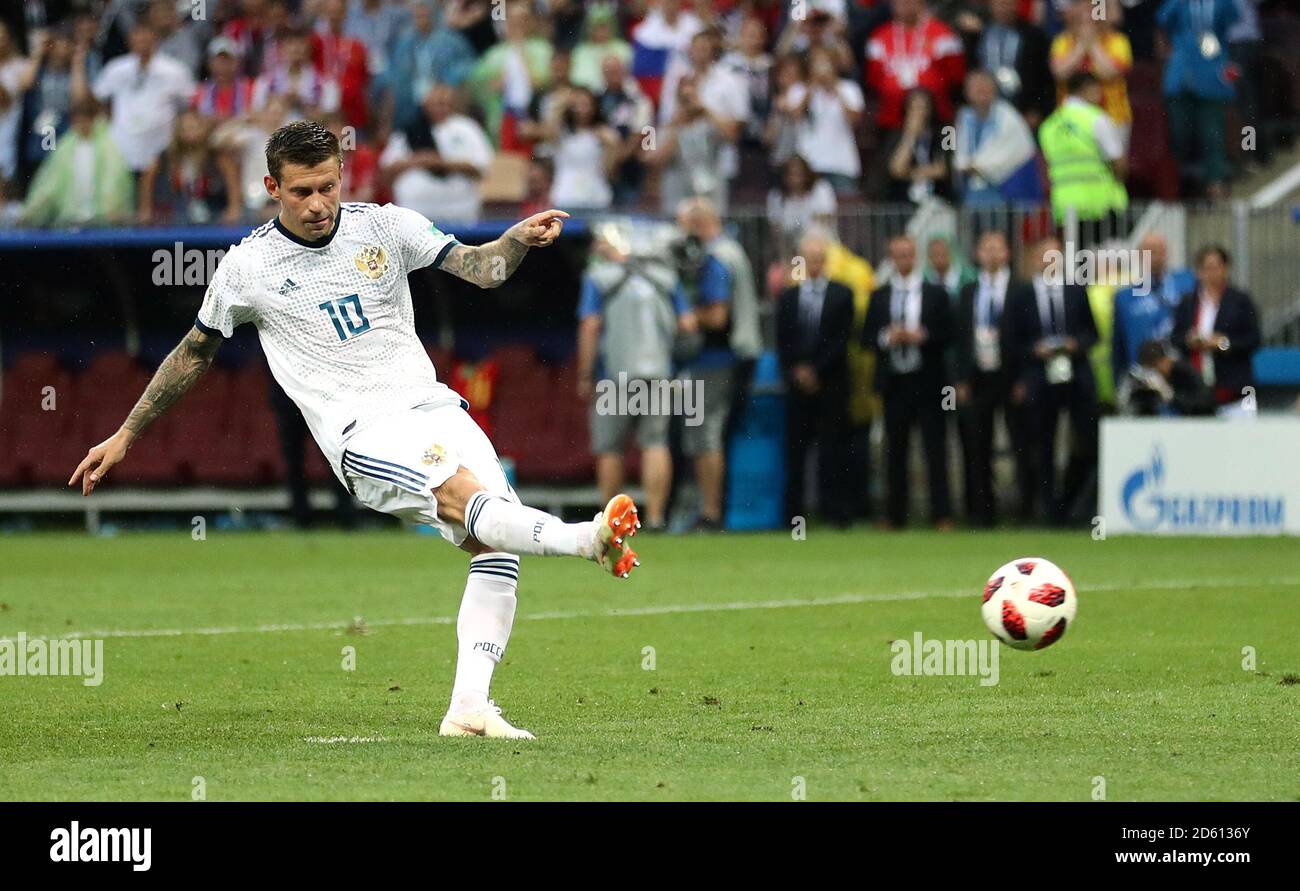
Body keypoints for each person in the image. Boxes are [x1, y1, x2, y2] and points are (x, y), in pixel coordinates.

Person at [69, 120, 641, 741]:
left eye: (327, 187)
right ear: (272, 187)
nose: (317, 205)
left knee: (496, 546)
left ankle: (469, 708)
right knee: (462, 498)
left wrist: (517, 239)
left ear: (342, 176)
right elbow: (194, 352)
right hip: (361, 434)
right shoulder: (248, 266)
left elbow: (483, 270)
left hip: (434, 407)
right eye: (301, 192)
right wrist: (127, 433)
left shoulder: (386, 226)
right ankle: (587, 540)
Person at [576, 225, 696, 532]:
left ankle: (611, 522)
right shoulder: (665, 279)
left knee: (611, 448)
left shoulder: (598, 280)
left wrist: (585, 374)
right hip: (658, 373)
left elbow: (590, 326)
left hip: (613, 377)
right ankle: (655, 518)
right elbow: (687, 323)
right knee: (655, 444)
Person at [676, 196, 763, 530]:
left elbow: (716, 315)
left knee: (705, 433)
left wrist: (681, 315)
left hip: (717, 359)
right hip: (735, 354)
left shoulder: (716, 257)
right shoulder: (732, 250)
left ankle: (711, 513)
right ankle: (710, 510)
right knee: (710, 434)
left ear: (698, 224)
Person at [1003, 235, 1099, 525]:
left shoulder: (1076, 291)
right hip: (1038, 380)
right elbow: (1011, 342)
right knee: (1041, 446)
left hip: (1076, 378)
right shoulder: (1020, 295)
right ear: (1034, 261)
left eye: (1055, 257)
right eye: (1044, 257)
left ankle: (1080, 506)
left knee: (1086, 442)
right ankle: (1049, 512)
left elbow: (1092, 334)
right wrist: (1034, 351)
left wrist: (1074, 344)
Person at [862, 234, 953, 530]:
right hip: (894, 383)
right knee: (895, 450)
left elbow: (949, 334)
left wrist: (921, 336)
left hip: (927, 381)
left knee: (935, 449)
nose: (903, 260)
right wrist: (889, 336)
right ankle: (894, 515)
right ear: (891, 258)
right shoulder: (880, 295)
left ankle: (942, 514)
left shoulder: (935, 293)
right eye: (897, 255)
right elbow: (867, 338)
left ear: (916, 257)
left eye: (908, 254)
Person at [775, 229, 855, 527]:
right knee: (795, 451)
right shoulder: (788, 297)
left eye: (820, 259)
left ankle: (835, 512)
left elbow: (841, 339)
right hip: (797, 386)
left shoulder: (842, 294)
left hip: (832, 383)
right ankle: (793, 516)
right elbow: (783, 342)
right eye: (810, 259)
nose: (815, 265)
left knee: (833, 450)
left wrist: (816, 370)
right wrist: (797, 371)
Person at [953, 230, 1029, 526]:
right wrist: (960, 379)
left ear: (1007, 253)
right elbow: (961, 338)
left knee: (1020, 443)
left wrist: (1023, 379)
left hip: (1010, 376)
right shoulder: (969, 290)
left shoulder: (1020, 289)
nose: (992, 254)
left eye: (997, 248)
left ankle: (1025, 510)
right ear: (978, 254)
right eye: (986, 248)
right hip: (978, 376)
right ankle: (981, 513)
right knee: (976, 444)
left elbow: (1025, 335)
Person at [1156, 0, 1239, 200]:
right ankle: (1176, 185)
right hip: (1180, 74)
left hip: (1211, 72)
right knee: (1177, 133)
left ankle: (1215, 183)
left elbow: (1233, 18)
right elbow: (1162, 20)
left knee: (1212, 133)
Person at [90, 20, 195, 176]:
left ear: (155, 38)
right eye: (137, 36)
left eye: (146, 36)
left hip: (161, 148)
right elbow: (97, 99)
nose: (142, 41)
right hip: (122, 146)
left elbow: (189, 104)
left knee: (158, 198)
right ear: (130, 40)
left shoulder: (175, 70)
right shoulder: (116, 68)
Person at [378, 84, 493, 225]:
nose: (440, 108)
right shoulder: (408, 131)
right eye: (436, 103)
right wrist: (417, 161)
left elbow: (481, 168)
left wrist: (441, 163)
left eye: (444, 103)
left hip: (459, 214)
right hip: (415, 216)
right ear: (425, 104)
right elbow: (386, 170)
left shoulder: (467, 128)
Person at [1038, 71, 1127, 240]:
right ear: (1088, 89)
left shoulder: (1048, 126)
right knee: (1102, 264)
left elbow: (1045, 167)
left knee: (1074, 262)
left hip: (1064, 205)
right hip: (1100, 205)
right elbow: (1118, 161)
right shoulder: (1096, 119)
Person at [1170, 244, 1259, 408]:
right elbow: (1176, 337)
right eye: (1207, 268)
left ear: (1225, 269)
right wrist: (1190, 341)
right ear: (1198, 271)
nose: (1212, 273)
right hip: (1195, 391)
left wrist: (1222, 343)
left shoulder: (1240, 301)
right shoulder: (1188, 302)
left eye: (1216, 267)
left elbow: (1253, 339)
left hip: (1233, 390)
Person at [1110, 232, 1196, 386]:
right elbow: (1119, 344)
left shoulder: (1187, 284)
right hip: (1143, 377)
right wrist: (1118, 381)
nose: (1153, 255)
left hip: (1180, 373)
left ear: (1166, 252)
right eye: (1148, 250)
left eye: (1157, 250)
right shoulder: (1125, 298)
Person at [1050, 0, 1133, 148]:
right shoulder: (1062, 42)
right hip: (1071, 120)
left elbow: (1109, 73)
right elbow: (1061, 73)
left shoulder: (1118, 41)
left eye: (1091, 14)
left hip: (1113, 117)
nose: (1087, 19)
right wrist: (1081, 46)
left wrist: (1093, 44)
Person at [1117, 338, 1216, 416]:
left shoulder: (1184, 372)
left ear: (1166, 361)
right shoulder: (1147, 381)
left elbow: (1204, 402)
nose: (1156, 374)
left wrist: (1169, 394)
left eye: (1156, 367)